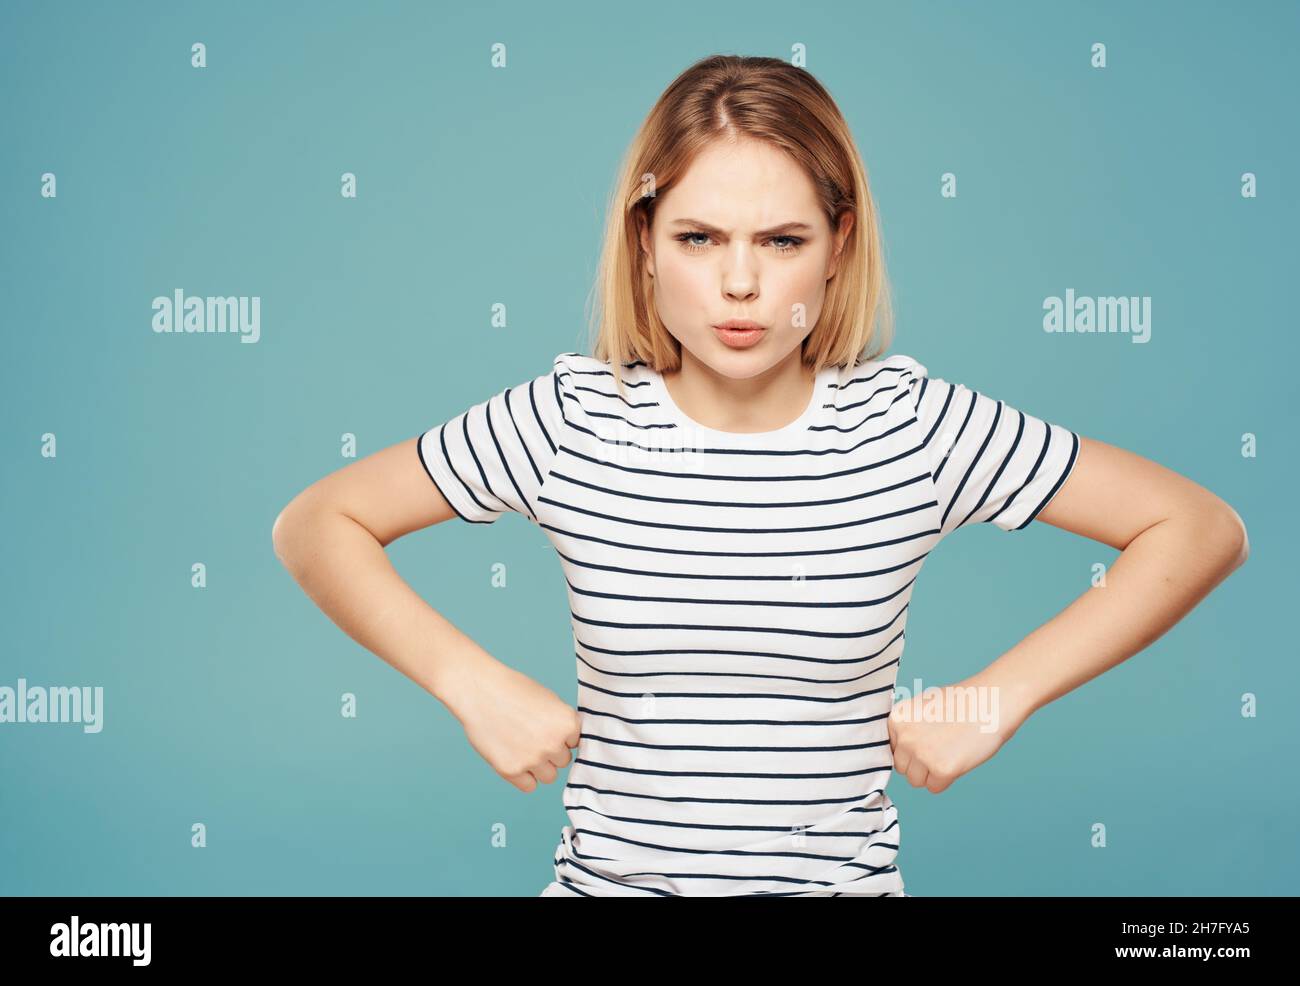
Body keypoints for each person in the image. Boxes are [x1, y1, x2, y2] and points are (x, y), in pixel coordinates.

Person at [271, 55, 1249, 897]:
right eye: (699, 238)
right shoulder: (573, 420)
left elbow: (1195, 525)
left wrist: (999, 694)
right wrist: (469, 680)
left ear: (838, 248)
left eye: (782, 241)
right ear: (644, 245)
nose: (740, 283)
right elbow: (320, 521)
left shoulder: (910, 427)